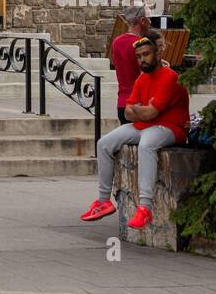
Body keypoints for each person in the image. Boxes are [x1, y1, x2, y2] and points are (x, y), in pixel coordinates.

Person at [81, 35, 189, 232]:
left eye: (146, 54)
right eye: (138, 56)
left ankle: (145, 208)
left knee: (147, 144)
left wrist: (140, 109)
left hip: (170, 127)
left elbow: (150, 112)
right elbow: (128, 112)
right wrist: (141, 110)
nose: (142, 60)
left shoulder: (169, 76)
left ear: (157, 53)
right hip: (144, 125)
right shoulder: (141, 79)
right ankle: (104, 201)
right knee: (104, 143)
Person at [110, 5, 152, 124]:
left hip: (122, 102)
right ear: (142, 21)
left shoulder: (117, 42)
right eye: (149, 18)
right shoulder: (142, 44)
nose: (151, 22)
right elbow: (147, 74)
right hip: (139, 103)